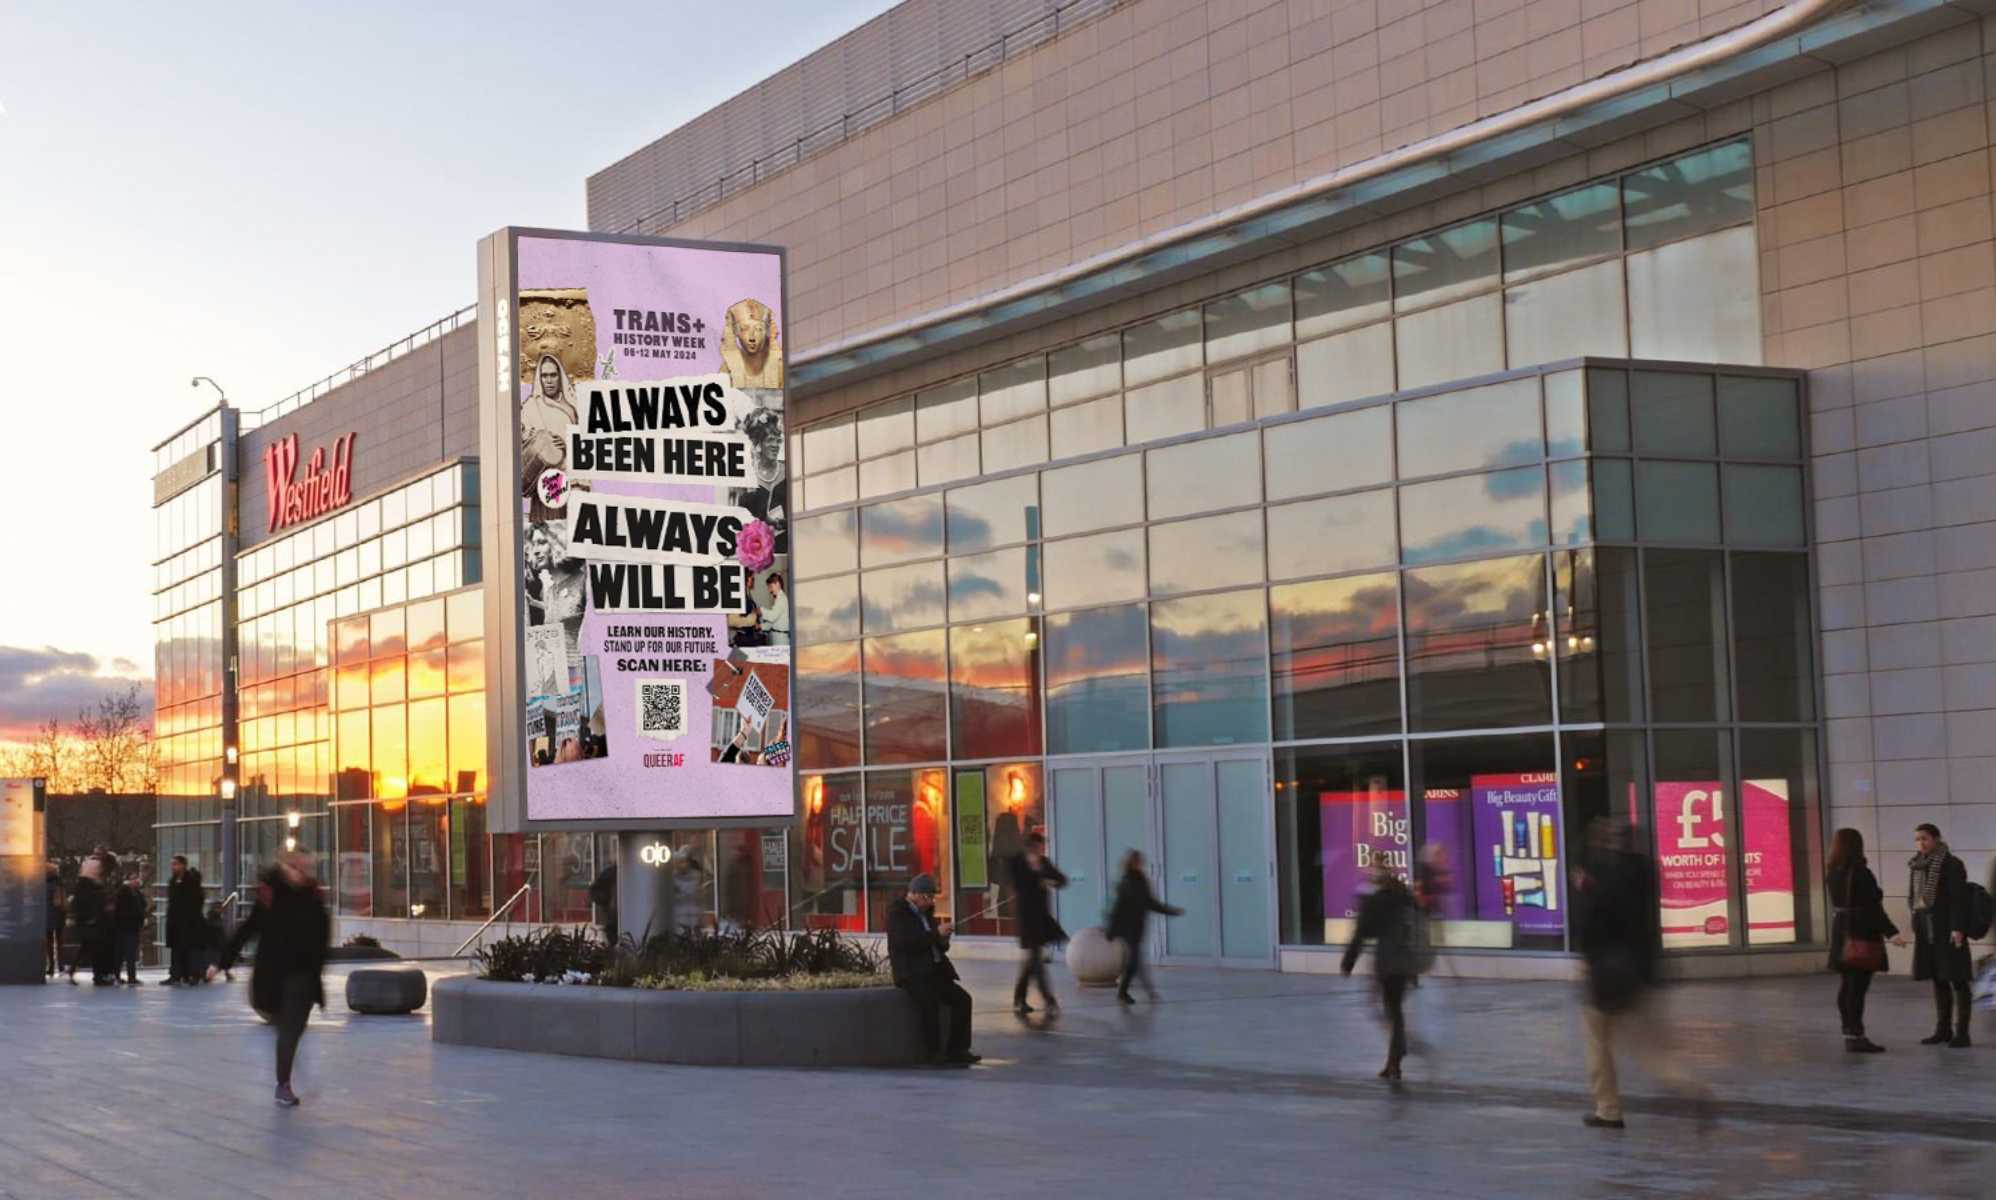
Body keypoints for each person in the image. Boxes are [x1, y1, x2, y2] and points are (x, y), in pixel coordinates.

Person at [1572, 818, 1711, 1130]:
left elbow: (1596, 922)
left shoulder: (1604, 876)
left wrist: (1586, 889)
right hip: (1639, 973)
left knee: (1598, 1045)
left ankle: (1608, 1109)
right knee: (1651, 1049)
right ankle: (1690, 1086)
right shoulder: (1646, 871)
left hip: (1606, 977)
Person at [212, 852, 331, 1107]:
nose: (300, 871)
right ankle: (283, 1084)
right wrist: (222, 962)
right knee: (287, 1029)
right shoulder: (271, 894)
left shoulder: (314, 896)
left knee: (294, 1028)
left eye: (304, 866)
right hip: (276, 974)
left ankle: (286, 1071)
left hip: (305, 974)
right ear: (285, 868)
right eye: (294, 866)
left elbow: (322, 937)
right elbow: (248, 929)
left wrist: (318, 977)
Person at [1340, 866, 1426, 1080]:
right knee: (1395, 1009)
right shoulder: (1406, 899)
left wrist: (1348, 961)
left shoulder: (1377, 901)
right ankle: (1396, 1053)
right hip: (1406, 961)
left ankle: (1396, 1056)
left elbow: (1362, 933)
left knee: (1391, 1010)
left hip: (1388, 962)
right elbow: (1419, 929)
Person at [1893, 822, 1974, 1048]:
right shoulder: (1917, 865)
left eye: (1925, 838)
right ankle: (1943, 1029)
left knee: (1957, 979)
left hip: (1947, 929)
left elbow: (1959, 900)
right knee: (1938, 979)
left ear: (1936, 839)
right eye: (1917, 839)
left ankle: (1963, 1033)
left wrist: (1958, 928)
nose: (1921, 843)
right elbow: (1913, 898)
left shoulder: (1951, 864)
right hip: (1926, 929)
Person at [886, 873, 976, 1067]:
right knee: (929, 1003)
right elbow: (908, 942)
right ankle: (933, 1052)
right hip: (912, 972)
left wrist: (943, 940)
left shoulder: (927, 913)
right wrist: (936, 934)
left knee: (962, 999)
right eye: (927, 897)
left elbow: (934, 943)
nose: (930, 901)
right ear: (915, 894)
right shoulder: (898, 913)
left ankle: (957, 1049)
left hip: (934, 970)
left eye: (931, 897)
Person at [1825, 827, 1896, 1053]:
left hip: (1841, 934)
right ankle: (1857, 1034)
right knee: (1857, 988)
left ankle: (1849, 1032)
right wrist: (1891, 932)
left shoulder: (1833, 871)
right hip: (1860, 935)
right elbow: (1873, 908)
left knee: (1847, 987)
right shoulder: (1861, 873)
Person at [1107, 849, 1182, 1005]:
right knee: (1135, 960)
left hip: (1137, 926)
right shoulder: (1126, 881)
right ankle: (1137, 992)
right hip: (1128, 927)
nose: (1141, 864)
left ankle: (1135, 992)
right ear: (1133, 862)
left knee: (1135, 961)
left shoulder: (1140, 880)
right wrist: (1112, 929)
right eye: (1138, 861)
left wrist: (1170, 911)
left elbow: (1149, 902)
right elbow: (1119, 906)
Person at [1008, 831, 1069, 1015]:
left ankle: (1019, 998)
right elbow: (1017, 884)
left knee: (1031, 960)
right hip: (1026, 918)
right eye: (1039, 846)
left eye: (1042, 846)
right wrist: (1037, 876)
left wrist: (1046, 877)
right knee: (1035, 960)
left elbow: (1061, 880)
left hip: (1041, 918)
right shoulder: (1017, 861)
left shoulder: (1044, 862)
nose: (1041, 849)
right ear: (1031, 846)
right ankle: (1048, 999)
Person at [69, 856, 113, 986]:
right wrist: (92, 917)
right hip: (92, 924)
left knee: (88, 949)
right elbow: (88, 904)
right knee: (95, 950)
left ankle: (77, 971)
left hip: (92, 923)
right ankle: (98, 976)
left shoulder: (86, 885)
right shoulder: (88, 886)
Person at [163, 855, 205, 985]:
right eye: (172, 864)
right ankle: (175, 975)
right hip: (175, 922)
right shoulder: (172, 881)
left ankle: (192, 974)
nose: (173, 867)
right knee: (176, 949)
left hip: (189, 921)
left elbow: (196, 901)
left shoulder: (191, 881)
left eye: (175, 864)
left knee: (190, 949)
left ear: (183, 865)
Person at [113, 872, 149, 985]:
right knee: (128, 953)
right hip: (127, 927)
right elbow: (136, 909)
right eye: (134, 879)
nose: (137, 880)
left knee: (125, 953)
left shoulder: (135, 892)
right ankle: (128, 977)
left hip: (128, 927)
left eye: (137, 878)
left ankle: (122, 976)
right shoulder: (126, 892)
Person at [44, 861, 64, 979]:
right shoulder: (60, 882)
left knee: (49, 941)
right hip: (60, 913)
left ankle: (51, 965)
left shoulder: (43, 883)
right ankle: (60, 964)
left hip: (47, 914)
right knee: (60, 940)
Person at [761, 573, 791, 646]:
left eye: (771, 586)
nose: (770, 590)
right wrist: (761, 626)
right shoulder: (778, 598)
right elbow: (774, 621)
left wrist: (760, 610)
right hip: (778, 636)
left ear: (777, 584)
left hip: (781, 638)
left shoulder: (781, 599)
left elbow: (772, 617)